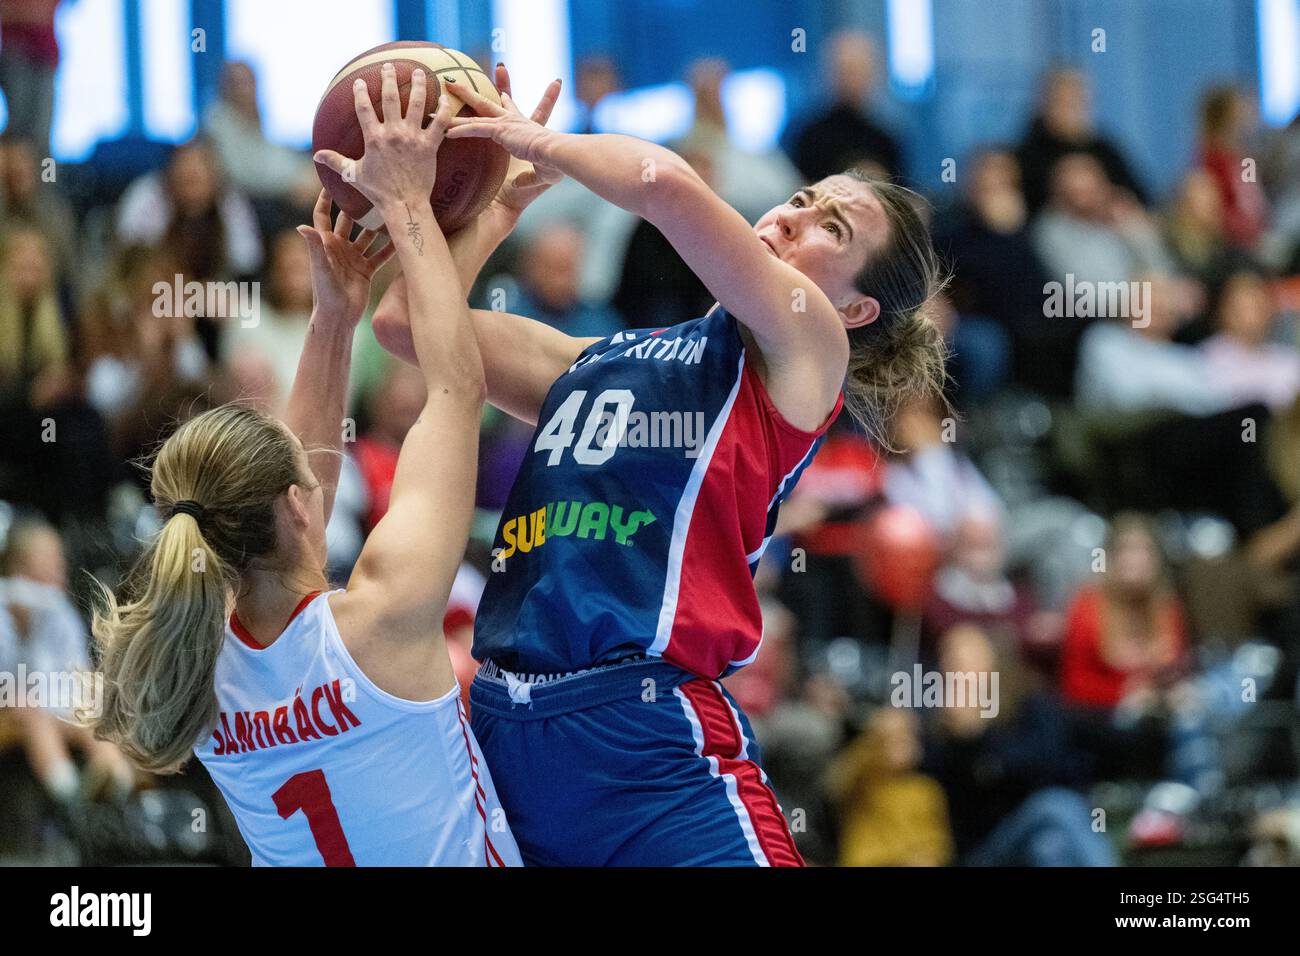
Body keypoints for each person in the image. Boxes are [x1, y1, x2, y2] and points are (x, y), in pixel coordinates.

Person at [371, 66, 948, 865]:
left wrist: (529, 137)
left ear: (854, 310)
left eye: (833, 229)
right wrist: (500, 207)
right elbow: (406, 322)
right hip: (510, 723)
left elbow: (666, 185)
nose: (796, 213)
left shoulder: (808, 352)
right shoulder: (594, 359)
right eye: (807, 197)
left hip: (648, 730)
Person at [82, 65, 521, 866]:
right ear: (296, 505)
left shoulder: (197, 674)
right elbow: (456, 387)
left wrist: (334, 316)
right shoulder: (379, 619)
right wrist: (410, 206)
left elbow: (304, 475)